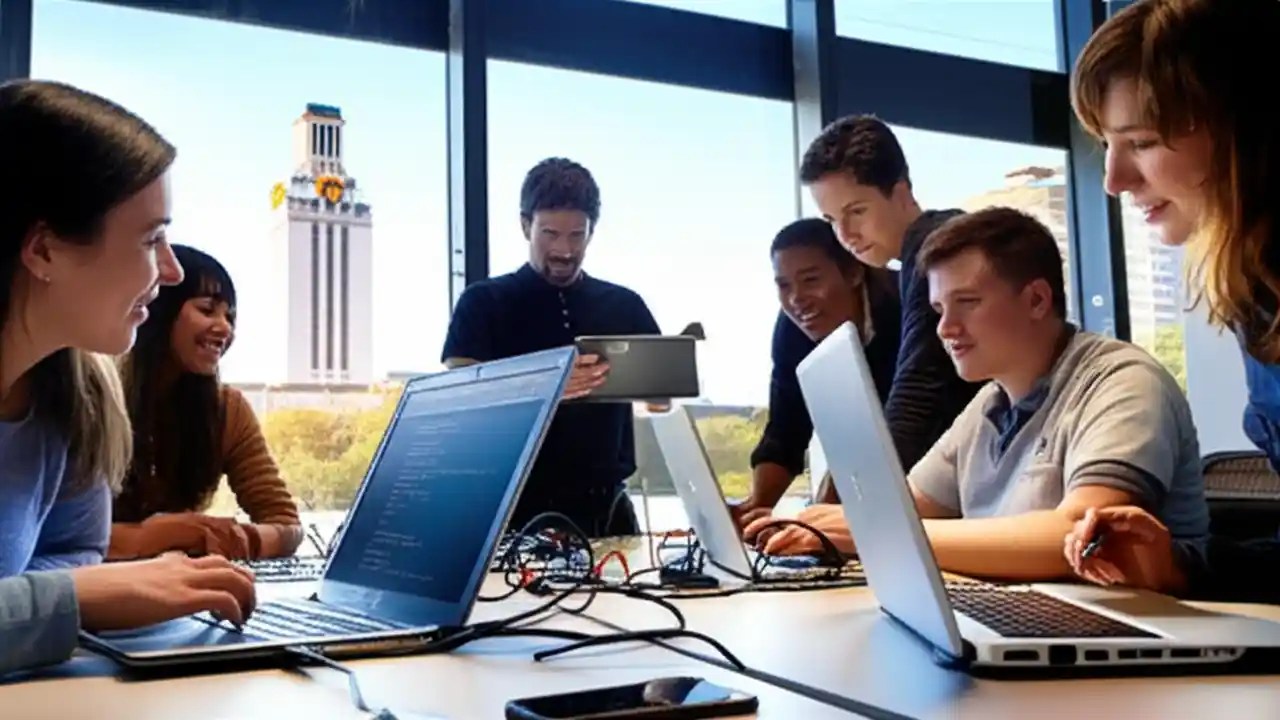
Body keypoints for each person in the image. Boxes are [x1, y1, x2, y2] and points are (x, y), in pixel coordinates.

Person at [748, 208, 1210, 583]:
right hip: (1037, 620)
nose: (945, 329)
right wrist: (822, 527)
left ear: (1036, 300)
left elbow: (1084, 535)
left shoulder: (1121, 380)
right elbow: (898, 508)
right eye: (937, 309)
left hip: (1146, 660)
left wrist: (871, 532)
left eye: (966, 303)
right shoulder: (991, 403)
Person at [0, 79, 254, 675]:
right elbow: (79, 581)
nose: (170, 272)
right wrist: (86, 597)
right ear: (43, 251)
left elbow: (72, 552)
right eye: (151, 239)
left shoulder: (77, 395)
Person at [1061, 0, 1280, 600]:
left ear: (1243, 130)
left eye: (1143, 141)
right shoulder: (1255, 295)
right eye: (1108, 143)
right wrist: (1178, 567)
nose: (1113, 179)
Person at [441, 158, 662, 537]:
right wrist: (546, 388)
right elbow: (460, 399)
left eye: (577, 235)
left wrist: (663, 381)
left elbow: (661, 402)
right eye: (550, 233)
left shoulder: (625, 304)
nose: (564, 250)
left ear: (592, 232)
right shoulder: (483, 302)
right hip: (511, 512)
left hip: (610, 514)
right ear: (526, 225)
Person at [798, 115, 982, 486]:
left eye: (857, 212)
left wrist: (861, 504)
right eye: (832, 220)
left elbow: (919, 396)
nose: (845, 234)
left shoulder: (937, 250)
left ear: (901, 194)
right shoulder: (924, 251)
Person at [110, 245, 303, 561]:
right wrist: (158, 536)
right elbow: (55, 537)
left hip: (175, 590)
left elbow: (286, 525)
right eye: (207, 310)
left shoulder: (227, 409)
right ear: (158, 310)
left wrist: (230, 539)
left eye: (230, 316)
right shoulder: (93, 397)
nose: (224, 327)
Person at [731, 218, 900, 527]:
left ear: (853, 272)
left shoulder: (903, 309)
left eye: (810, 280)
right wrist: (755, 508)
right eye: (784, 285)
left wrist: (821, 520)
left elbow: (895, 429)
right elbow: (786, 427)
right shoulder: (793, 327)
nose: (796, 299)